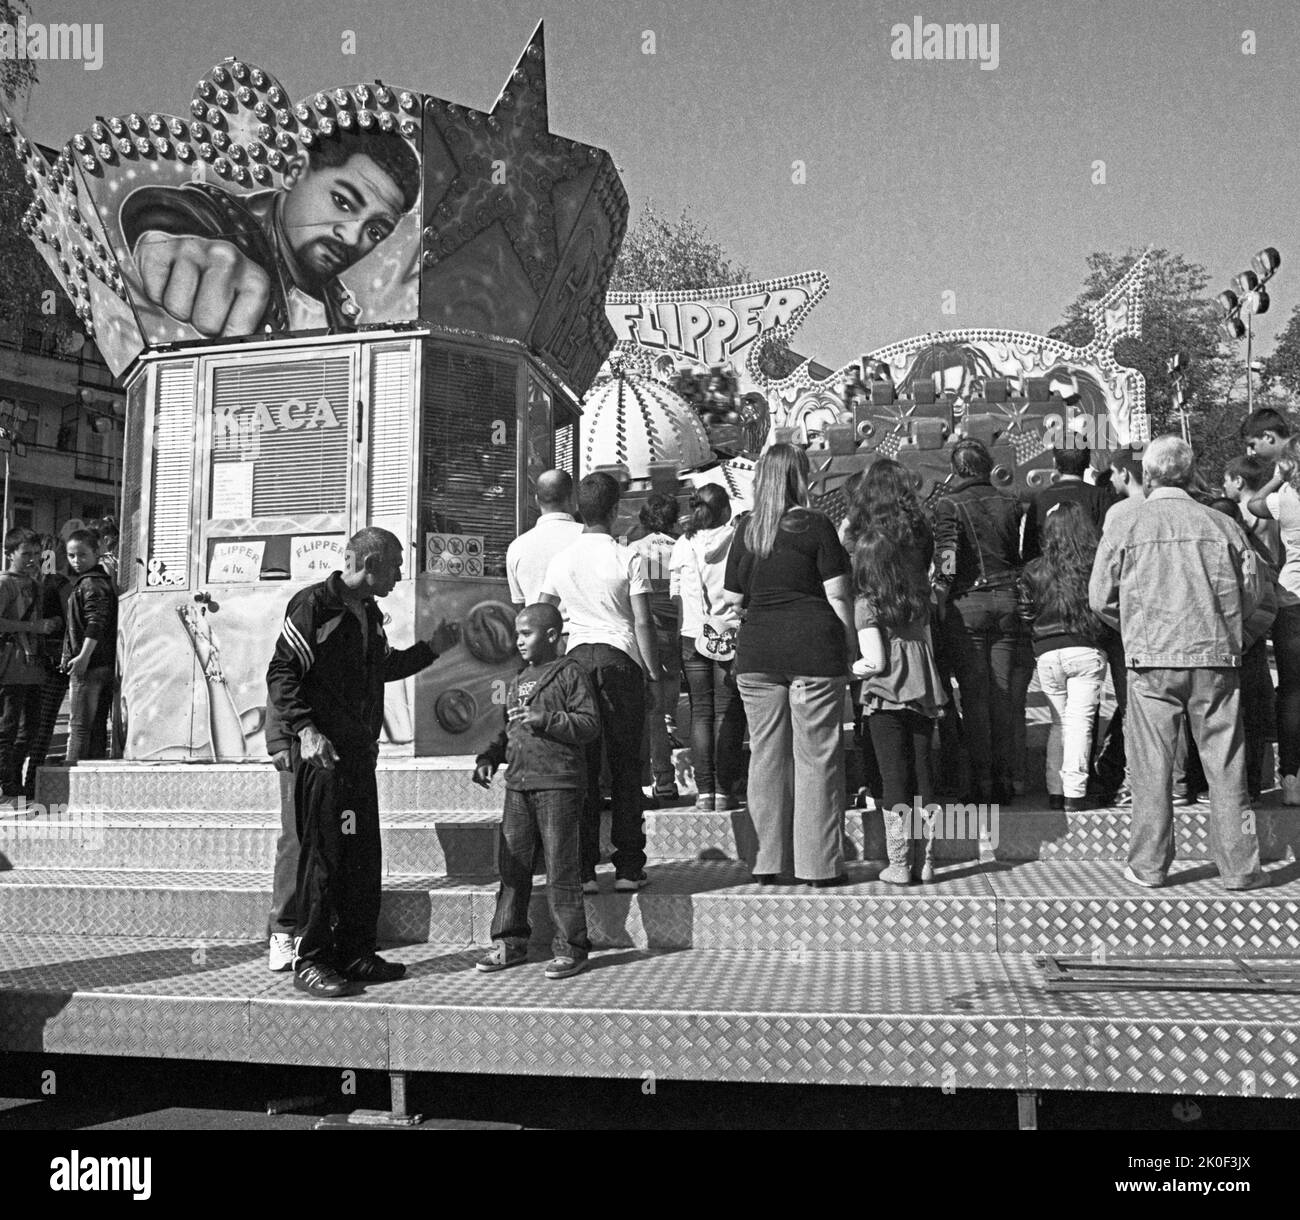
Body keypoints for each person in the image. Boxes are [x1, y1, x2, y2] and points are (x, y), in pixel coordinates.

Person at [265, 527, 441, 998]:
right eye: (397, 564)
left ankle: (355, 952)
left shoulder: (369, 613)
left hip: (357, 758)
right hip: (323, 760)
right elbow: (282, 673)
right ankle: (313, 960)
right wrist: (304, 731)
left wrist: (433, 649)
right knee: (325, 858)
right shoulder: (314, 606)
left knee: (362, 858)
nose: (401, 574)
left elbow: (382, 667)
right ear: (372, 563)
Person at [1089, 436, 1266, 892]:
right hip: (1215, 656)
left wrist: (1133, 626)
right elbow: (1252, 591)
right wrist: (1224, 626)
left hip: (1152, 659)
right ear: (1191, 474)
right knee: (1227, 767)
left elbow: (1098, 598)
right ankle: (1241, 866)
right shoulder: (1221, 524)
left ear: (1147, 475)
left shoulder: (1126, 523)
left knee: (1152, 766)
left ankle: (1149, 865)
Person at [121, 126, 421, 335]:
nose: (353, 237)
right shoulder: (228, 223)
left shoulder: (340, 307)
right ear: (294, 172)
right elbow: (171, 213)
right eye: (342, 201)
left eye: (376, 231)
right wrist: (168, 242)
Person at [723, 444, 854, 886]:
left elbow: (734, 599)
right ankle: (818, 867)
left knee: (765, 756)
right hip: (814, 649)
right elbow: (837, 595)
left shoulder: (747, 529)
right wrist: (848, 648)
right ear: (800, 477)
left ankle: (766, 861)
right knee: (817, 757)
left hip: (758, 653)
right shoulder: (817, 525)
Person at [539, 473, 661, 895]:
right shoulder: (627, 558)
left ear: (579, 509)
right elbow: (642, 619)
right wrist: (652, 672)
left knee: (584, 770)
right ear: (615, 511)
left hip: (575, 664)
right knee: (626, 766)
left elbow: (543, 612)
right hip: (620, 661)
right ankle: (628, 866)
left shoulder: (562, 560)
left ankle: (584, 868)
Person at [472, 603, 600, 980]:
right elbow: (507, 729)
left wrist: (547, 719)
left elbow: (589, 724)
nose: (518, 641)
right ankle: (508, 942)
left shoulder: (569, 672)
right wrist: (490, 757)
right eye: (516, 634)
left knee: (562, 867)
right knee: (513, 868)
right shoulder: (518, 679)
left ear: (550, 635)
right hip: (518, 786)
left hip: (559, 783)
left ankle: (571, 948)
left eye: (525, 634)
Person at [932, 438, 1028, 804]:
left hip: (968, 604)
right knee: (1002, 696)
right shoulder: (1011, 500)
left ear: (957, 470)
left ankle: (980, 782)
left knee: (974, 697)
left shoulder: (950, 503)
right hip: (1008, 599)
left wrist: (940, 594)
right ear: (987, 466)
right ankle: (1004, 780)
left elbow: (947, 556)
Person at [851, 525, 947, 886]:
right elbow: (926, 642)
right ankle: (928, 861)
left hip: (886, 696)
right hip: (922, 691)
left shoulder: (867, 604)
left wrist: (853, 670)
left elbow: (874, 661)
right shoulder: (918, 597)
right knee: (924, 773)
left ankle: (899, 863)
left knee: (894, 778)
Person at [1017, 502, 1110, 811]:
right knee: (1080, 723)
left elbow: (1025, 611)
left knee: (1059, 723)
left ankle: (1056, 792)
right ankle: (1075, 792)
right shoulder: (1092, 564)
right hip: (1085, 648)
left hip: (1046, 652)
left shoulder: (1033, 569)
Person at [670, 484, 744, 812]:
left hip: (692, 634)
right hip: (729, 632)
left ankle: (704, 792)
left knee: (701, 711)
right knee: (727, 710)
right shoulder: (738, 539)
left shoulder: (683, 544)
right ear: (725, 509)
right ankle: (725, 790)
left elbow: (674, 592)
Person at [627, 493, 683, 803]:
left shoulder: (635, 548)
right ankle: (669, 718)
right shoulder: (679, 546)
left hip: (647, 621)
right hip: (675, 620)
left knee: (654, 683)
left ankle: (661, 720)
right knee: (672, 675)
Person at [0, 529, 59, 798]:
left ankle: (14, 781)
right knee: (8, 728)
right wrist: (33, 626)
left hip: (33, 666)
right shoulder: (5, 583)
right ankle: (8, 784)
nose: (32, 559)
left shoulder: (36, 584)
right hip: (11, 665)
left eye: (36, 554)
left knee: (30, 730)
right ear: (10, 554)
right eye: (26, 554)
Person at [62, 529, 118, 765]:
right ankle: (92, 781)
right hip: (105, 663)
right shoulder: (104, 582)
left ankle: (69, 783)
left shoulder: (90, 583)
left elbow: (96, 622)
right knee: (96, 728)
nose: (76, 561)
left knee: (79, 727)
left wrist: (83, 656)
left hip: (90, 665)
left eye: (82, 555)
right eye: (71, 555)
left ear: (96, 552)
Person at [21, 555, 71, 798]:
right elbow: (71, 620)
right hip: (51, 663)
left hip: (22, 662)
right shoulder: (59, 583)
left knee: (20, 726)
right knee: (43, 726)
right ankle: (30, 783)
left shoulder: (19, 584)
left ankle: (14, 784)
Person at [506, 470, 583, 613]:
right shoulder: (588, 537)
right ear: (572, 498)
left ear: (536, 500)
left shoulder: (516, 547)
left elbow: (521, 606)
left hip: (539, 632)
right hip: (581, 633)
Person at [1022, 444, 1116, 559]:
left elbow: (1030, 552)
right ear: (1087, 462)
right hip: (1090, 572)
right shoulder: (1101, 497)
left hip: (1050, 573)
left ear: (1055, 463)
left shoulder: (1040, 500)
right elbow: (1108, 546)